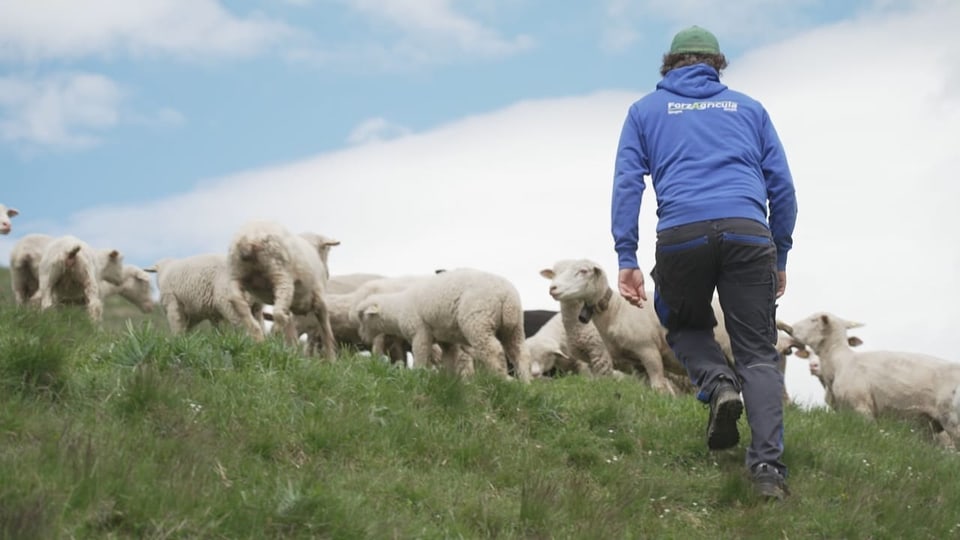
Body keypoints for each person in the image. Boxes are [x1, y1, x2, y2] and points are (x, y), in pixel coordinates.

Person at [610, 25, 798, 499]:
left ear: (669, 64)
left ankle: (718, 385)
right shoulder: (750, 109)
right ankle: (768, 473)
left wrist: (626, 255)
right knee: (757, 352)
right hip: (748, 234)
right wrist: (780, 252)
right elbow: (783, 188)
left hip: (682, 236)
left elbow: (628, 184)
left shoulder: (644, 111)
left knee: (683, 325)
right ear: (717, 65)